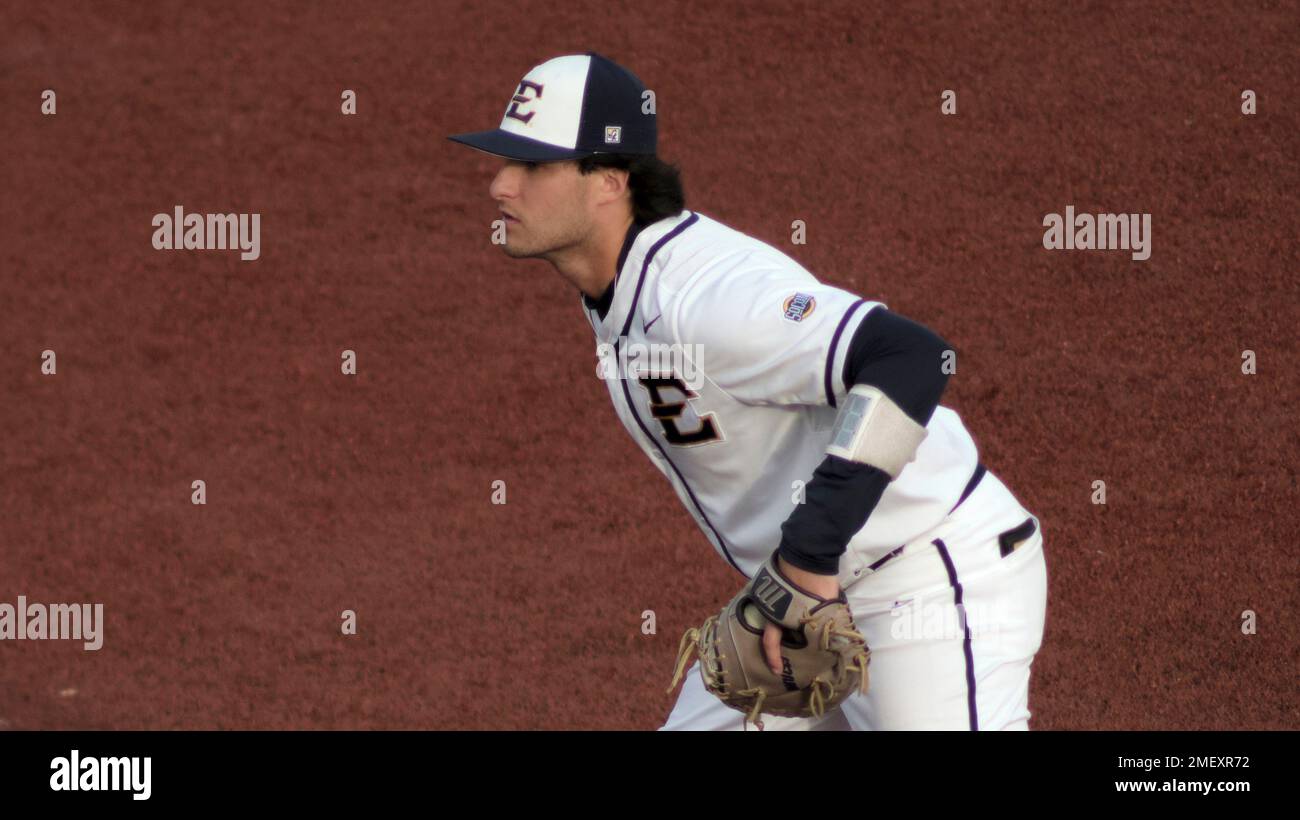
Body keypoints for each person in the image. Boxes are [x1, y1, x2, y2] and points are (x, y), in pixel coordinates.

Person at [449, 52, 1048, 730]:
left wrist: (806, 553)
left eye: (531, 167)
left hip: (930, 578)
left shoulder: (706, 297)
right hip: (800, 599)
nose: (499, 185)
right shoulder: (618, 286)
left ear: (608, 181)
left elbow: (912, 355)